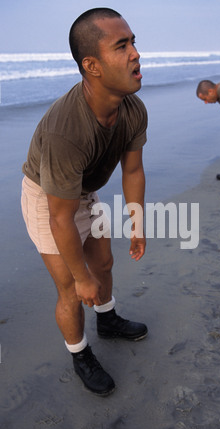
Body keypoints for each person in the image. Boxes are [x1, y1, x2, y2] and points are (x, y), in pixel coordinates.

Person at [21, 8, 148, 396]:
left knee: (104, 263)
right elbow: (60, 217)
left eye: (134, 43)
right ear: (91, 65)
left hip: (80, 191)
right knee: (74, 289)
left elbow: (132, 171)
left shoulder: (132, 108)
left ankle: (107, 320)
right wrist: (80, 277)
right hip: (49, 199)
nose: (135, 54)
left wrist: (137, 224)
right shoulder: (67, 131)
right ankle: (79, 354)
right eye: (121, 46)